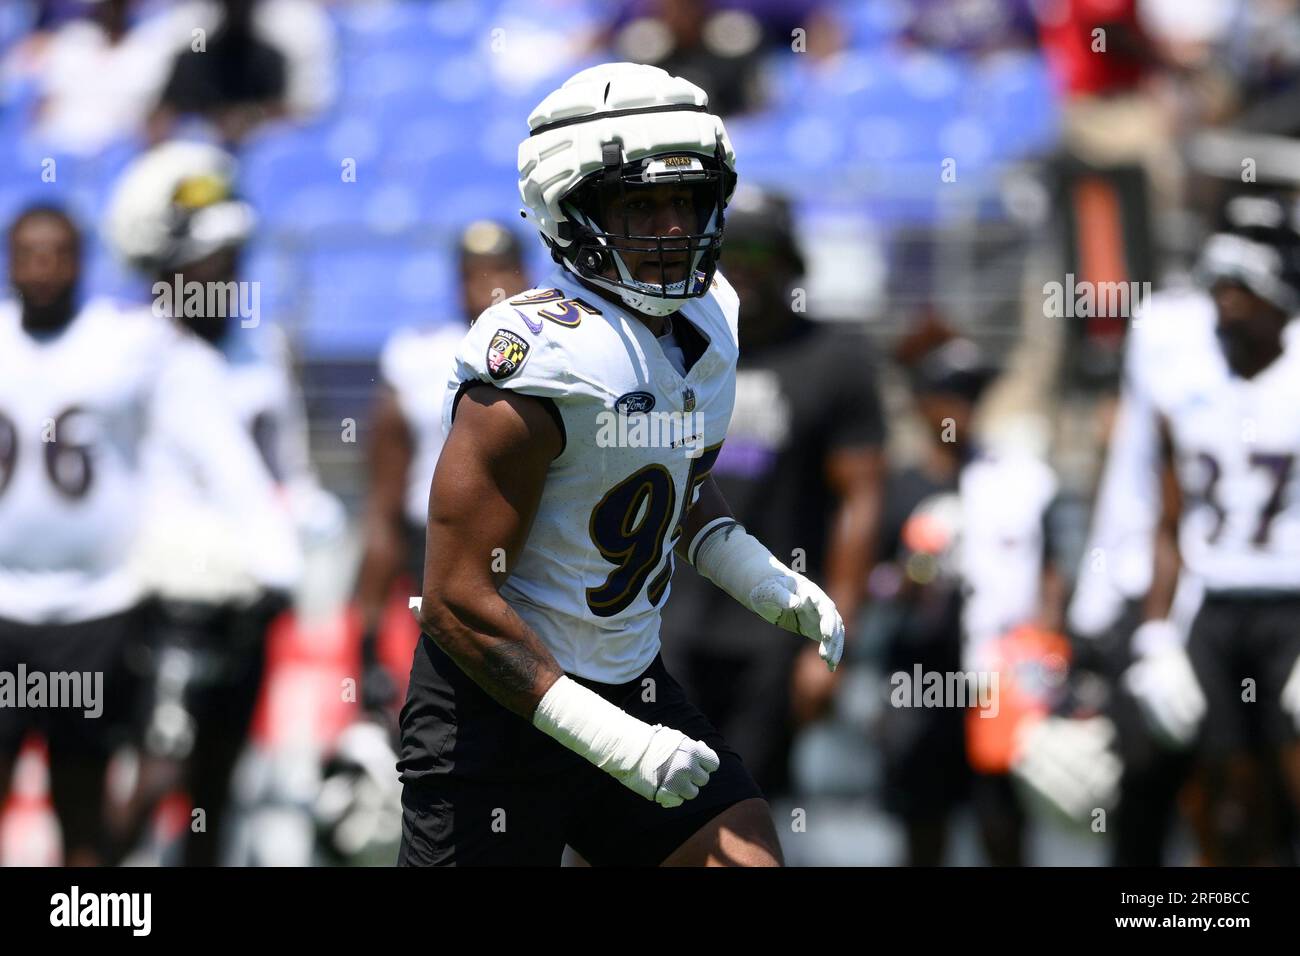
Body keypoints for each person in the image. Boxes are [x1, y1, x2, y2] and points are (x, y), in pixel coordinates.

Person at [397, 62, 845, 867]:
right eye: (642, 203)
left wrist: (760, 577)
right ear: (569, 211)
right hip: (497, 707)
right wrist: (615, 743)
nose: (674, 225)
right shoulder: (539, 358)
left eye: (688, 199)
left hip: (628, 679)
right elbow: (454, 599)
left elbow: (673, 489)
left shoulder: (708, 320)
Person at [0, 204, 296, 865]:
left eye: (58, 253)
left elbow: (220, 449)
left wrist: (271, 556)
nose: (43, 269)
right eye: (28, 253)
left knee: (85, 804)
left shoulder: (135, 343)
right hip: (3, 607)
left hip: (98, 610)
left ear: (85, 263)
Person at [100, 141, 309, 865]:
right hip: (167, 602)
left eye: (233, 258)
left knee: (218, 786)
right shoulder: (133, 355)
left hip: (246, 602)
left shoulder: (262, 354)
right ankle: (88, 902)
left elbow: (291, 472)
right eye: (208, 260)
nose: (225, 274)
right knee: (157, 768)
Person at [658, 185, 884, 799]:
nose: (745, 266)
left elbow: (860, 500)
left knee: (744, 807)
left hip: (774, 631)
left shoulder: (836, 359)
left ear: (790, 261)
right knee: (641, 813)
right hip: (666, 623)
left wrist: (832, 638)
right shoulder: (673, 350)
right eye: (730, 250)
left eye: (761, 248)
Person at [1132, 194, 1300, 865]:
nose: (1223, 310)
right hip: (1216, 606)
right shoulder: (1187, 388)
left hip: (1292, 605)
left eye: (1238, 294)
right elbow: (1168, 525)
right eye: (1217, 295)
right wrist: (1153, 636)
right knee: (1226, 804)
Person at [354, 221, 526, 722]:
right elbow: (383, 503)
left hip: (526, 551)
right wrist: (365, 634)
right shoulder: (419, 357)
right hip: (434, 548)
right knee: (444, 708)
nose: (488, 287)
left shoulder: (558, 356)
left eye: (500, 271)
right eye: (474, 273)